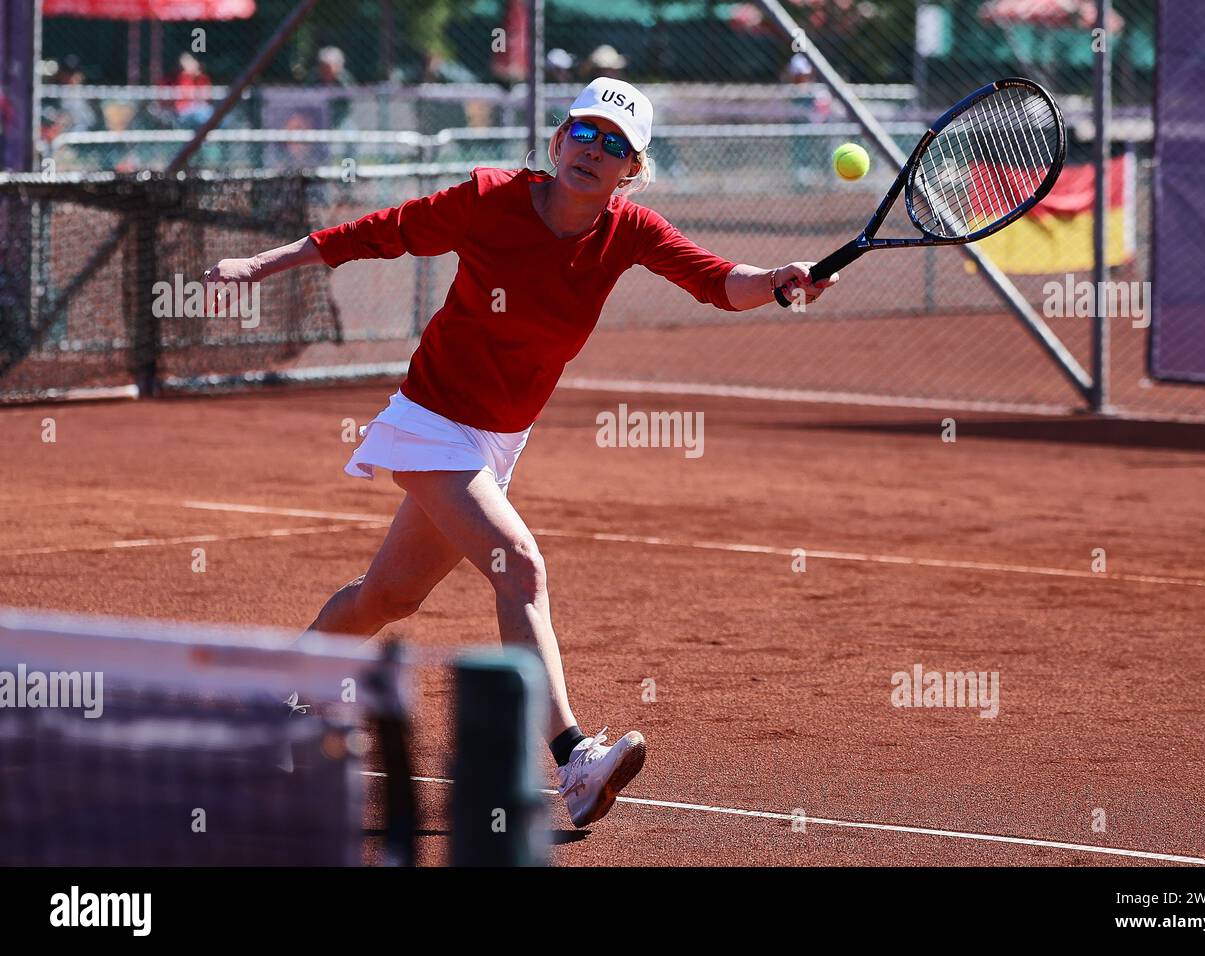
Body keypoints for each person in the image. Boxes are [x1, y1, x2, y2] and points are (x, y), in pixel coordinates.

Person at [203, 77, 838, 829]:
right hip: (432, 418)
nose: (594, 150)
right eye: (585, 133)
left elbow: (718, 282)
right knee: (521, 565)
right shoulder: (490, 199)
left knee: (388, 597)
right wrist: (258, 265)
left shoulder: (630, 231)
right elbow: (375, 231)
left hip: (498, 438)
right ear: (560, 137)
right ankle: (574, 759)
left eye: (615, 145)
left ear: (632, 168)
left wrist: (777, 280)